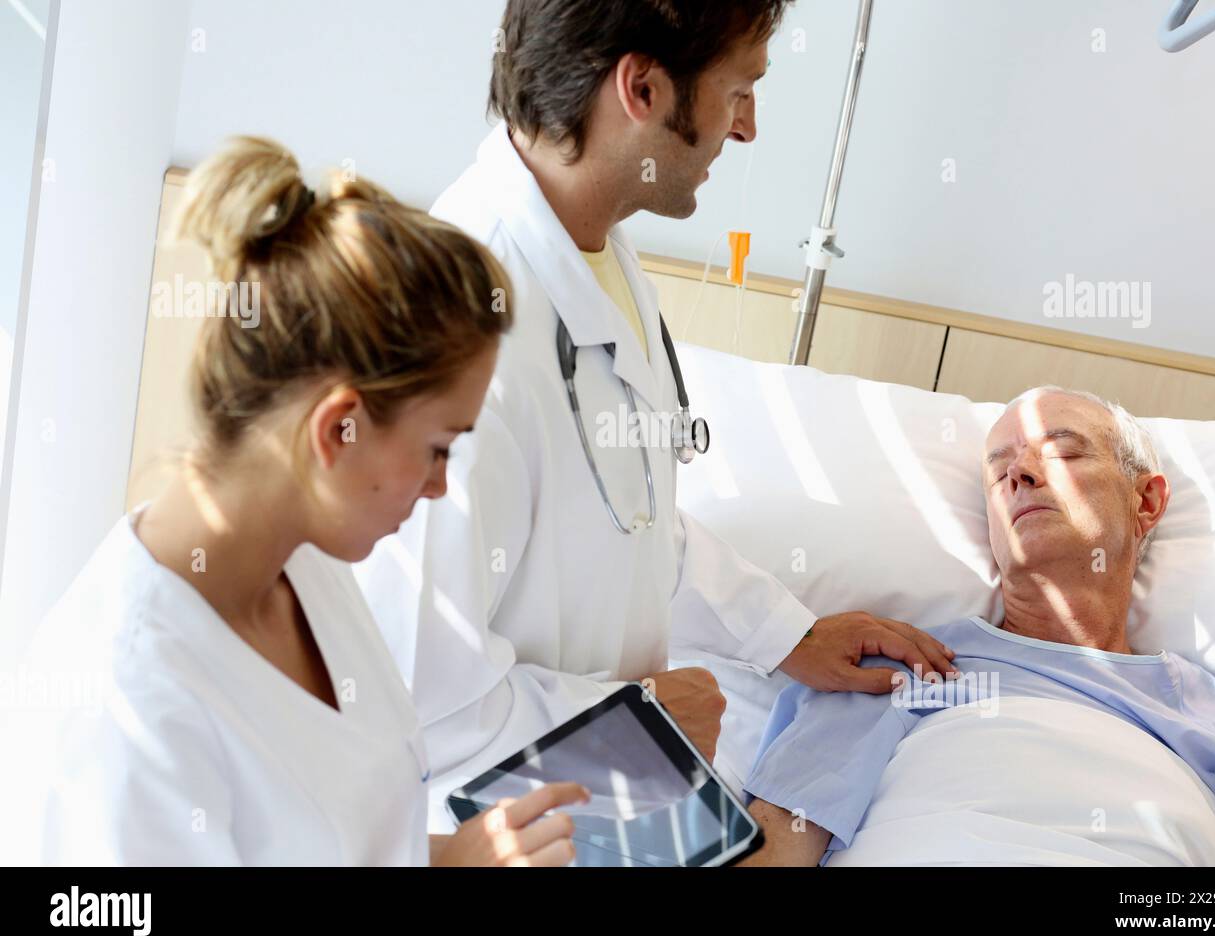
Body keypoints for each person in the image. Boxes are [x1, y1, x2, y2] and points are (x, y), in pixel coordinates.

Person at [356, 0, 958, 830]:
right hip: (477, 829)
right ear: (641, 86)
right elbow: (423, 697)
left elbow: (633, 518)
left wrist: (787, 634)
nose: (745, 128)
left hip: (597, 804)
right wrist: (638, 716)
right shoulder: (460, 333)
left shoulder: (595, 252)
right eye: (739, 90)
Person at [18, 136, 587, 866]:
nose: (441, 485)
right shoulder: (122, 712)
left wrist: (458, 859)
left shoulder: (307, 569)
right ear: (337, 428)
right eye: (439, 447)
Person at [741, 387, 1215, 866]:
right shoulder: (899, 667)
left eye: (1061, 452)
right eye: (998, 471)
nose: (1020, 474)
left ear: (1146, 502)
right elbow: (773, 850)